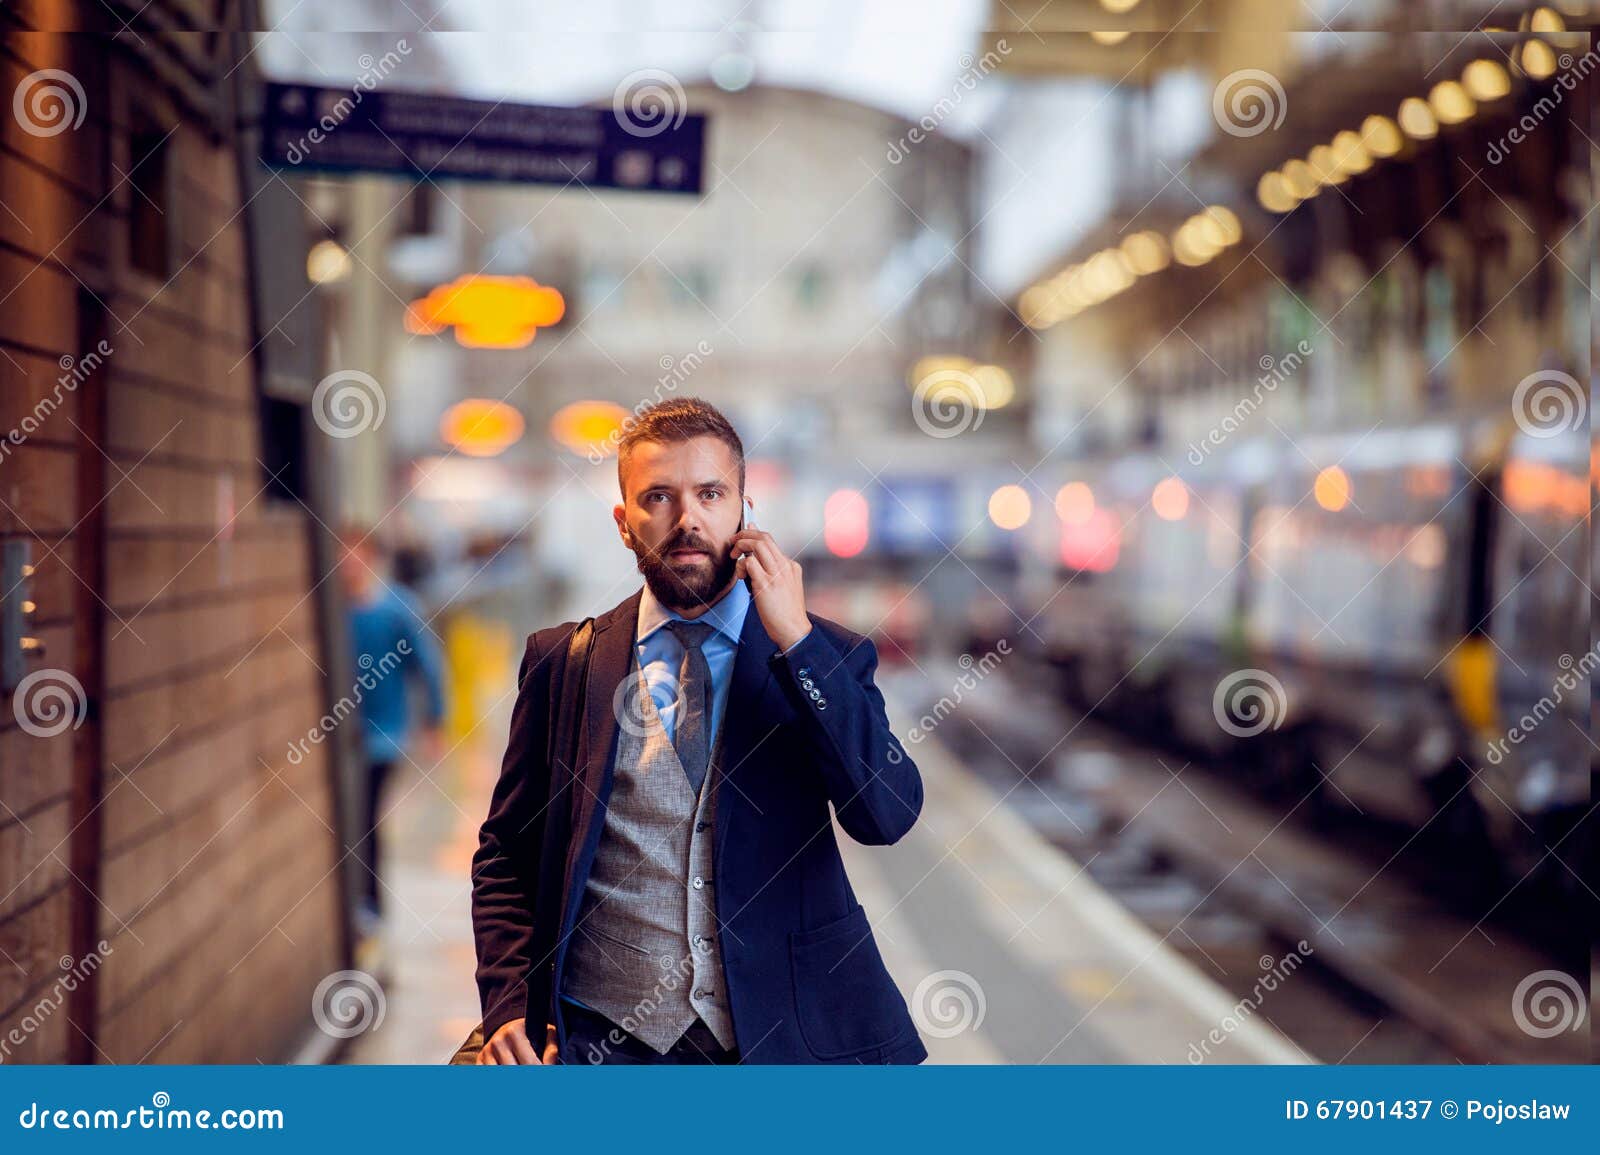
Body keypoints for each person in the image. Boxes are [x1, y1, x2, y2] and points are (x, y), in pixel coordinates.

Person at [470, 398, 926, 1065]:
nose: (687, 519)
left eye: (710, 493)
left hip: (783, 1042)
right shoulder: (564, 663)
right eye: (658, 496)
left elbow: (887, 812)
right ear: (625, 525)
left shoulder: (821, 653)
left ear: (744, 510)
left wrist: (797, 641)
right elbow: (506, 855)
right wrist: (508, 1000)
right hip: (605, 1043)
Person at [338, 530, 446, 935]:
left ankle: (370, 906)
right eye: (342, 555)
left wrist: (434, 721)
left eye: (356, 555)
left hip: (384, 738)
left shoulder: (397, 608)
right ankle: (360, 903)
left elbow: (428, 665)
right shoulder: (333, 611)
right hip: (341, 739)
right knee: (351, 819)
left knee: (365, 817)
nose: (349, 564)